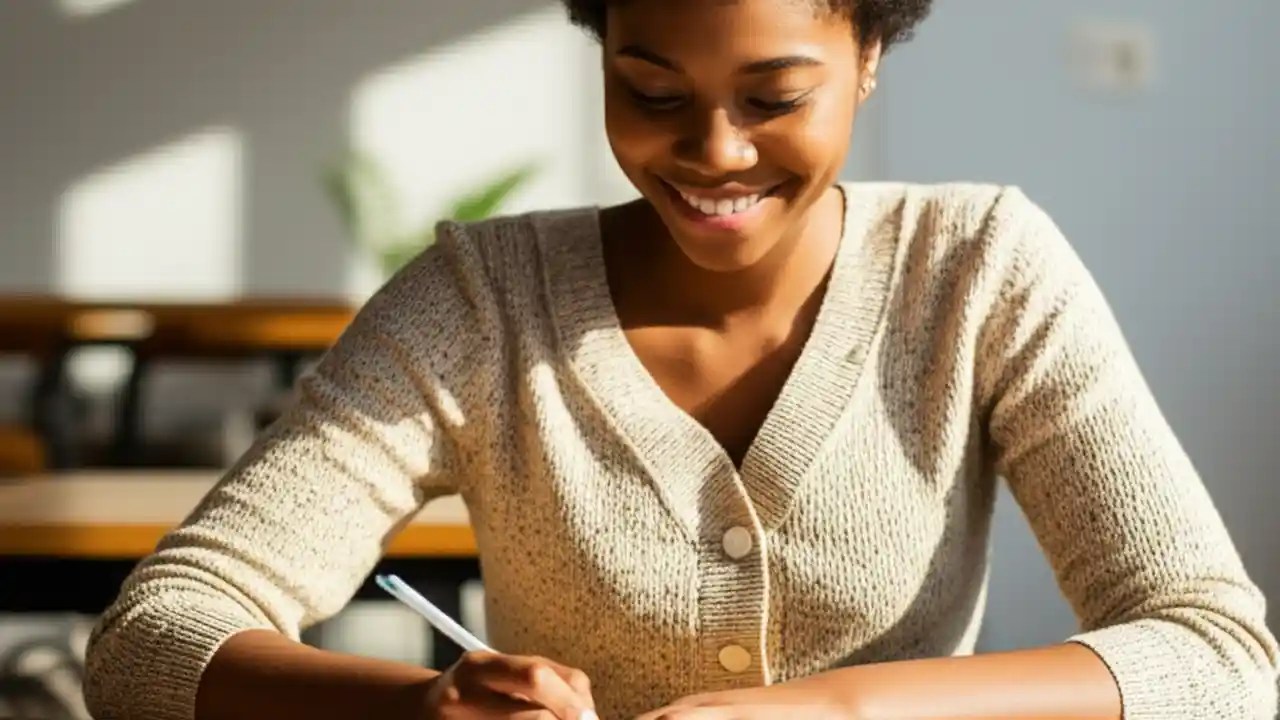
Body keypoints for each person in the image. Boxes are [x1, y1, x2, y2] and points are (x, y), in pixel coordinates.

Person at [84, 1, 1279, 718]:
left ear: (868, 55)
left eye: (773, 98)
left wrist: (842, 709)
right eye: (648, 90)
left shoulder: (976, 269)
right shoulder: (480, 301)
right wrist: (419, 705)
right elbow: (152, 639)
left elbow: (1216, 660)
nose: (712, 152)